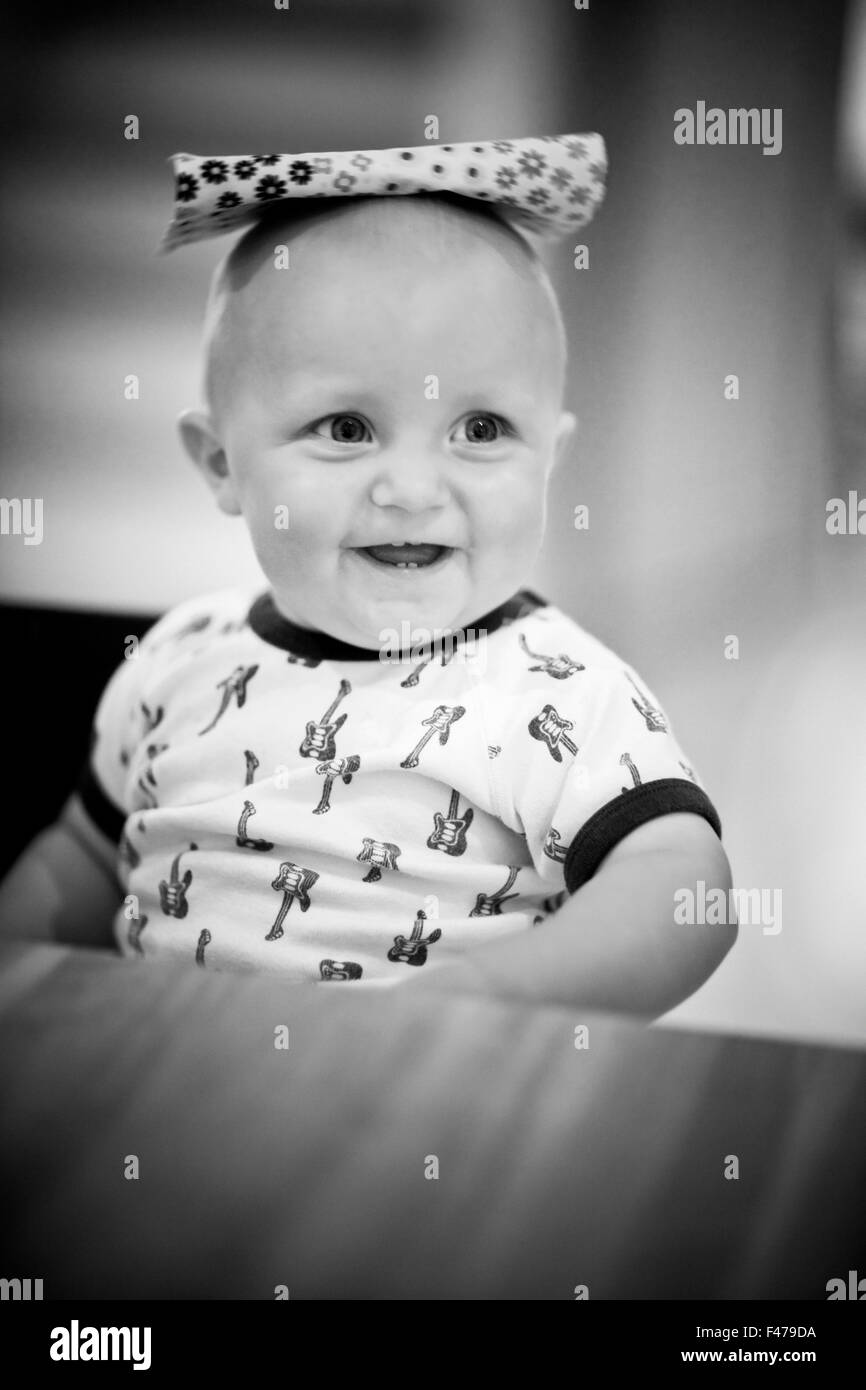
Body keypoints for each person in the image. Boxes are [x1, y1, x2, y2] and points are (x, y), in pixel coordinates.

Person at [0, 136, 735, 1013]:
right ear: (221, 464)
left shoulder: (556, 696)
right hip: (163, 1096)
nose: (414, 490)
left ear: (551, 459)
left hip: (425, 1114)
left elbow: (685, 892)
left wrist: (487, 995)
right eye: (347, 428)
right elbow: (85, 859)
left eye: (483, 428)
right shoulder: (175, 660)